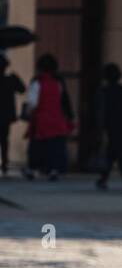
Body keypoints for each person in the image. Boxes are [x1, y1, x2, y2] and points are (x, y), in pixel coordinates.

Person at [20, 53, 75, 181]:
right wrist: (69, 116)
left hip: (41, 119)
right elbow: (64, 100)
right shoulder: (59, 82)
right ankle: (54, 170)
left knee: (37, 146)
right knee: (55, 146)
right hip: (57, 118)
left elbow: (33, 102)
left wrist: (27, 113)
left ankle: (32, 169)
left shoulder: (37, 82)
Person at [93, 63, 122, 192]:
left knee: (117, 154)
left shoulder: (103, 92)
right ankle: (104, 178)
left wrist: (99, 129)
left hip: (110, 126)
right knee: (113, 153)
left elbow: (99, 111)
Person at [0, 54, 24, 175]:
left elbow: (22, 89)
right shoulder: (10, 80)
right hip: (6, 116)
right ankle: (4, 163)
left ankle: (4, 163)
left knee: (4, 140)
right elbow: (22, 89)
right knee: (4, 140)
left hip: (5, 115)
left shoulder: (10, 79)